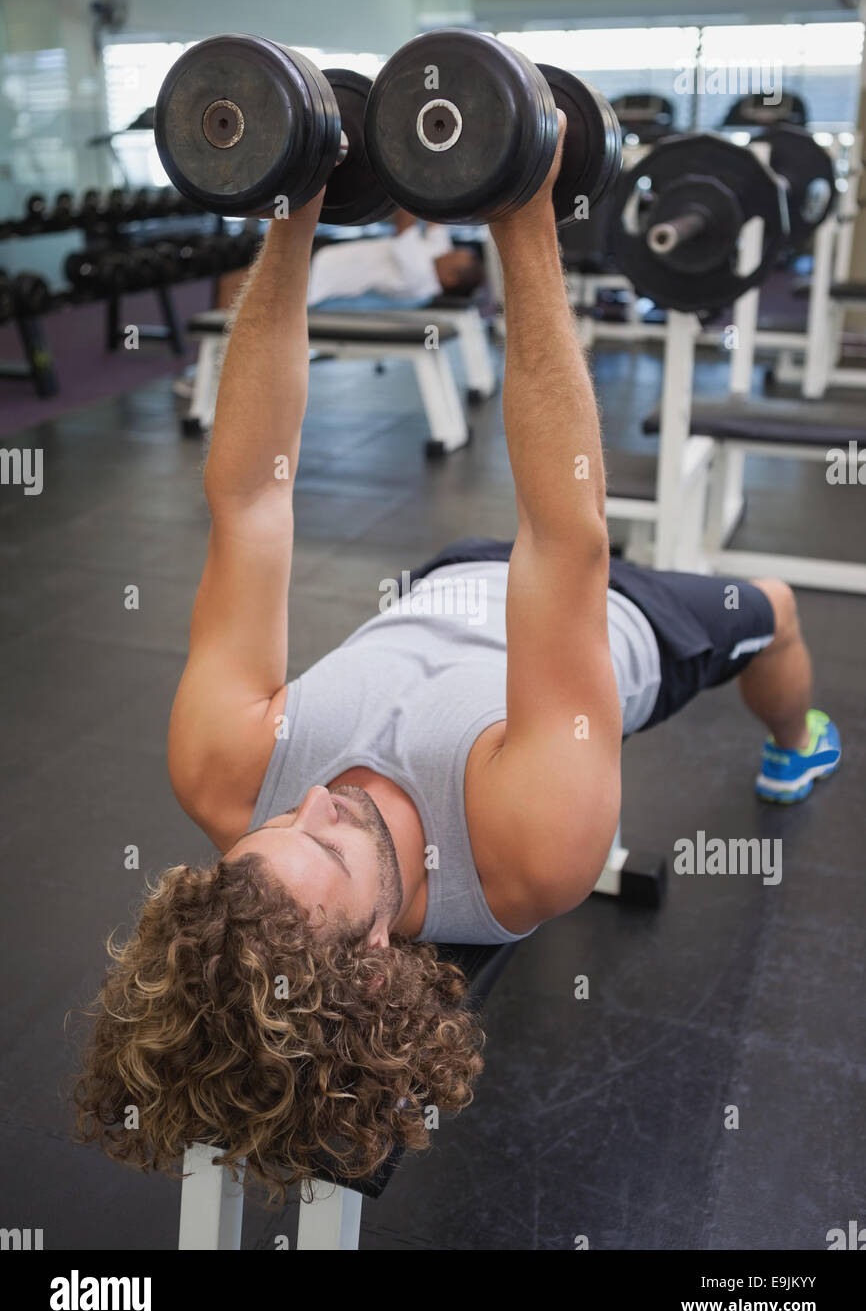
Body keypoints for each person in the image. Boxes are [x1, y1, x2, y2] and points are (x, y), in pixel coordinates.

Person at [73, 117, 840, 1202]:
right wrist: (522, 211)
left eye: (271, 835)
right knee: (771, 604)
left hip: (446, 576)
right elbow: (564, 541)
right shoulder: (530, 848)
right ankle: (796, 742)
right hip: (614, 614)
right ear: (380, 955)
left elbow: (249, 497)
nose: (313, 806)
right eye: (327, 851)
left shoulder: (226, 777)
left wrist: (290, 209)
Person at [307, 209, 484, 310]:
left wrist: (407, 175)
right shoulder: (439, 256)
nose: (449, 252)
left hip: (316, 279)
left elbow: (404, 223)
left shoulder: (420, 281)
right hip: (322, 258)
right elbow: (435, 218)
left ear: (450, 278)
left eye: (453, 256)